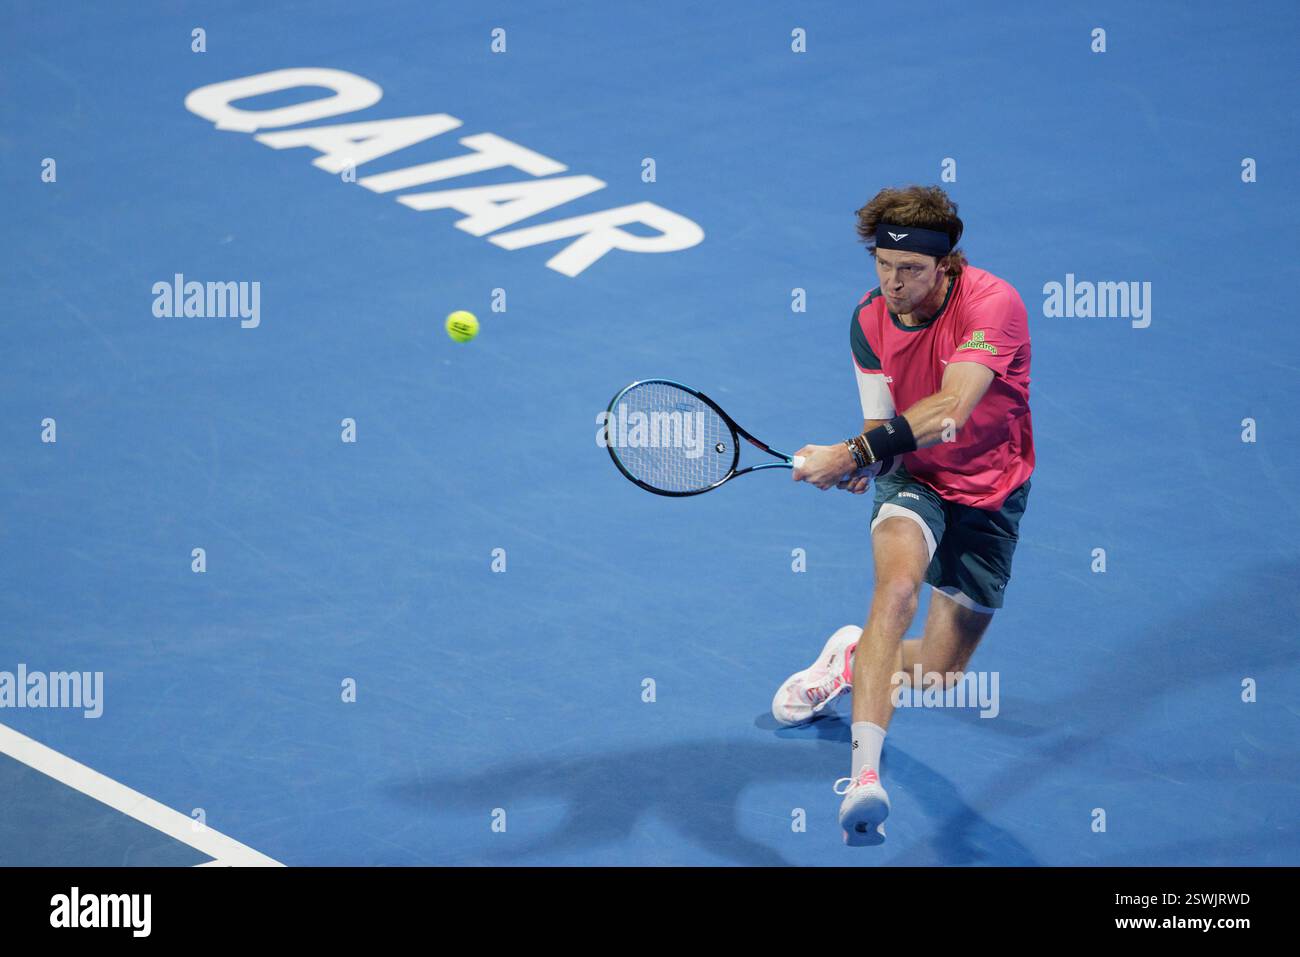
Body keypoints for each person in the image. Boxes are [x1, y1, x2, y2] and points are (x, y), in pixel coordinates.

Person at [779, 185, 1034, 844]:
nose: (894, 283)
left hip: (990, 489)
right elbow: (883, 428)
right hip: (917, 483)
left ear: (947, 264)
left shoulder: (993, 305)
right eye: (883, 266)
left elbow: (949, 409)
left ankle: (849, 660)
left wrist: (852, 453)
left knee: (943, 671)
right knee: (895, 588)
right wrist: (862, 465)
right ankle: (864, 778)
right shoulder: (867, 321)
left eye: (911, 270)